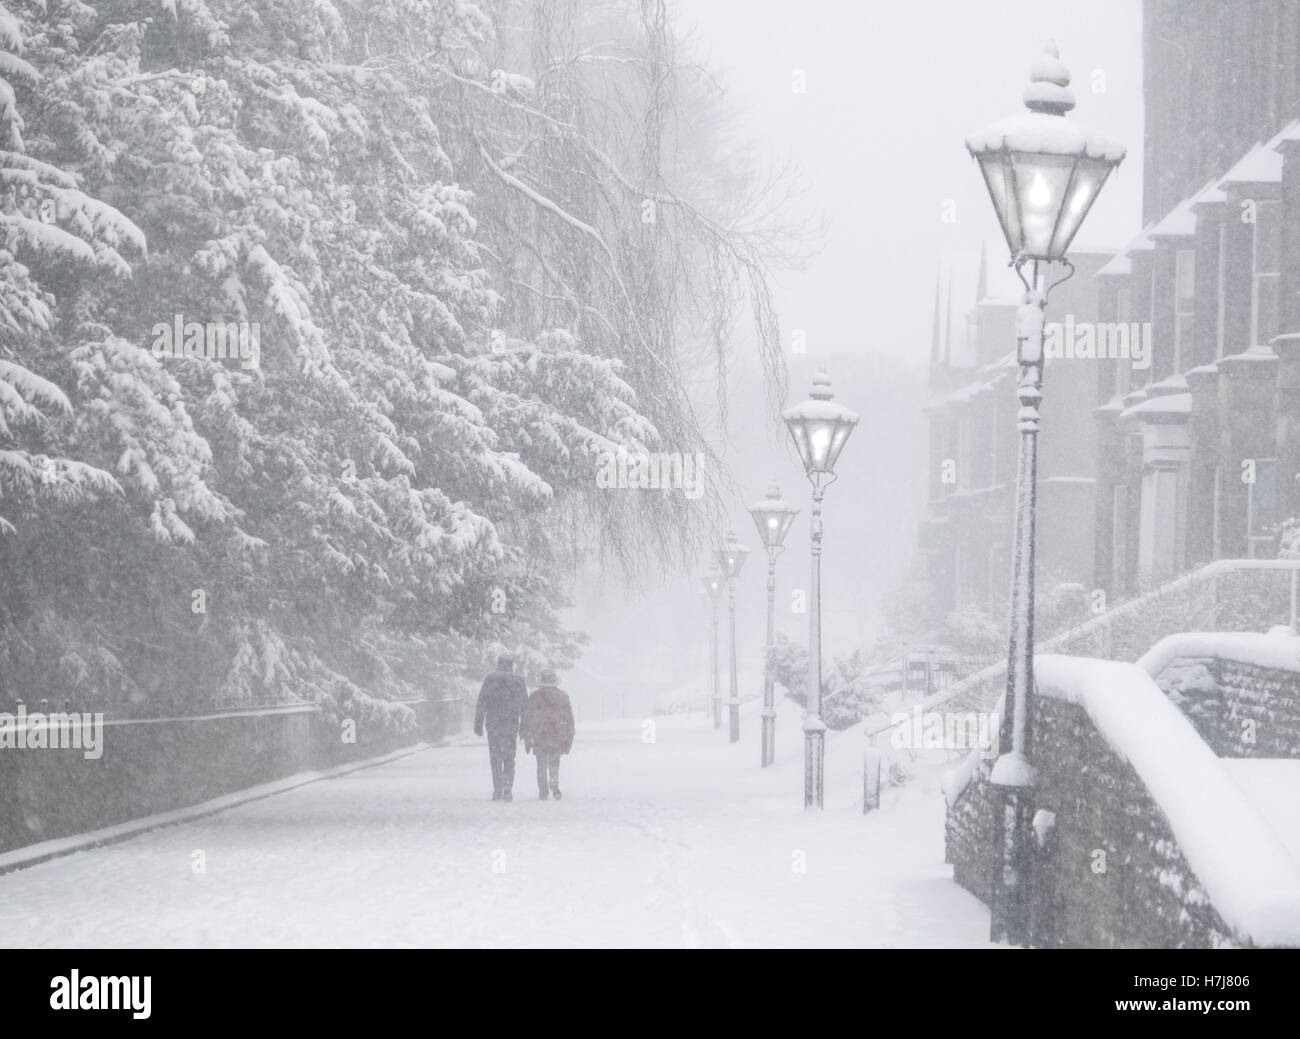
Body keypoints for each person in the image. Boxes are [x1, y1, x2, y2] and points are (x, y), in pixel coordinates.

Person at [474, 655, 528, 801]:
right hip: (511, 723)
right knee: (509, 756)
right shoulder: (518, 681)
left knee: (495, 756)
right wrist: (524, 726)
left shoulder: (490, 679)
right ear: (511, 665)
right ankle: (507, 785)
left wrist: (478, 723)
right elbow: (525, 706)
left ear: (498, 664)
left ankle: (497, 788)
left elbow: (482, 701)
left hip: (493, 723)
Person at [523, 668, 575, 800]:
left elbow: (528, 717)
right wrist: (569, 739)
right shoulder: (563, 696)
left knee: (541, 763)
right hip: (557, 734)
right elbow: (569, 719)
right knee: (554, 762)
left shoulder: (534, 696)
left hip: (539, 734)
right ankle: (554, 785)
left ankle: (543, 790)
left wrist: (527, 738)